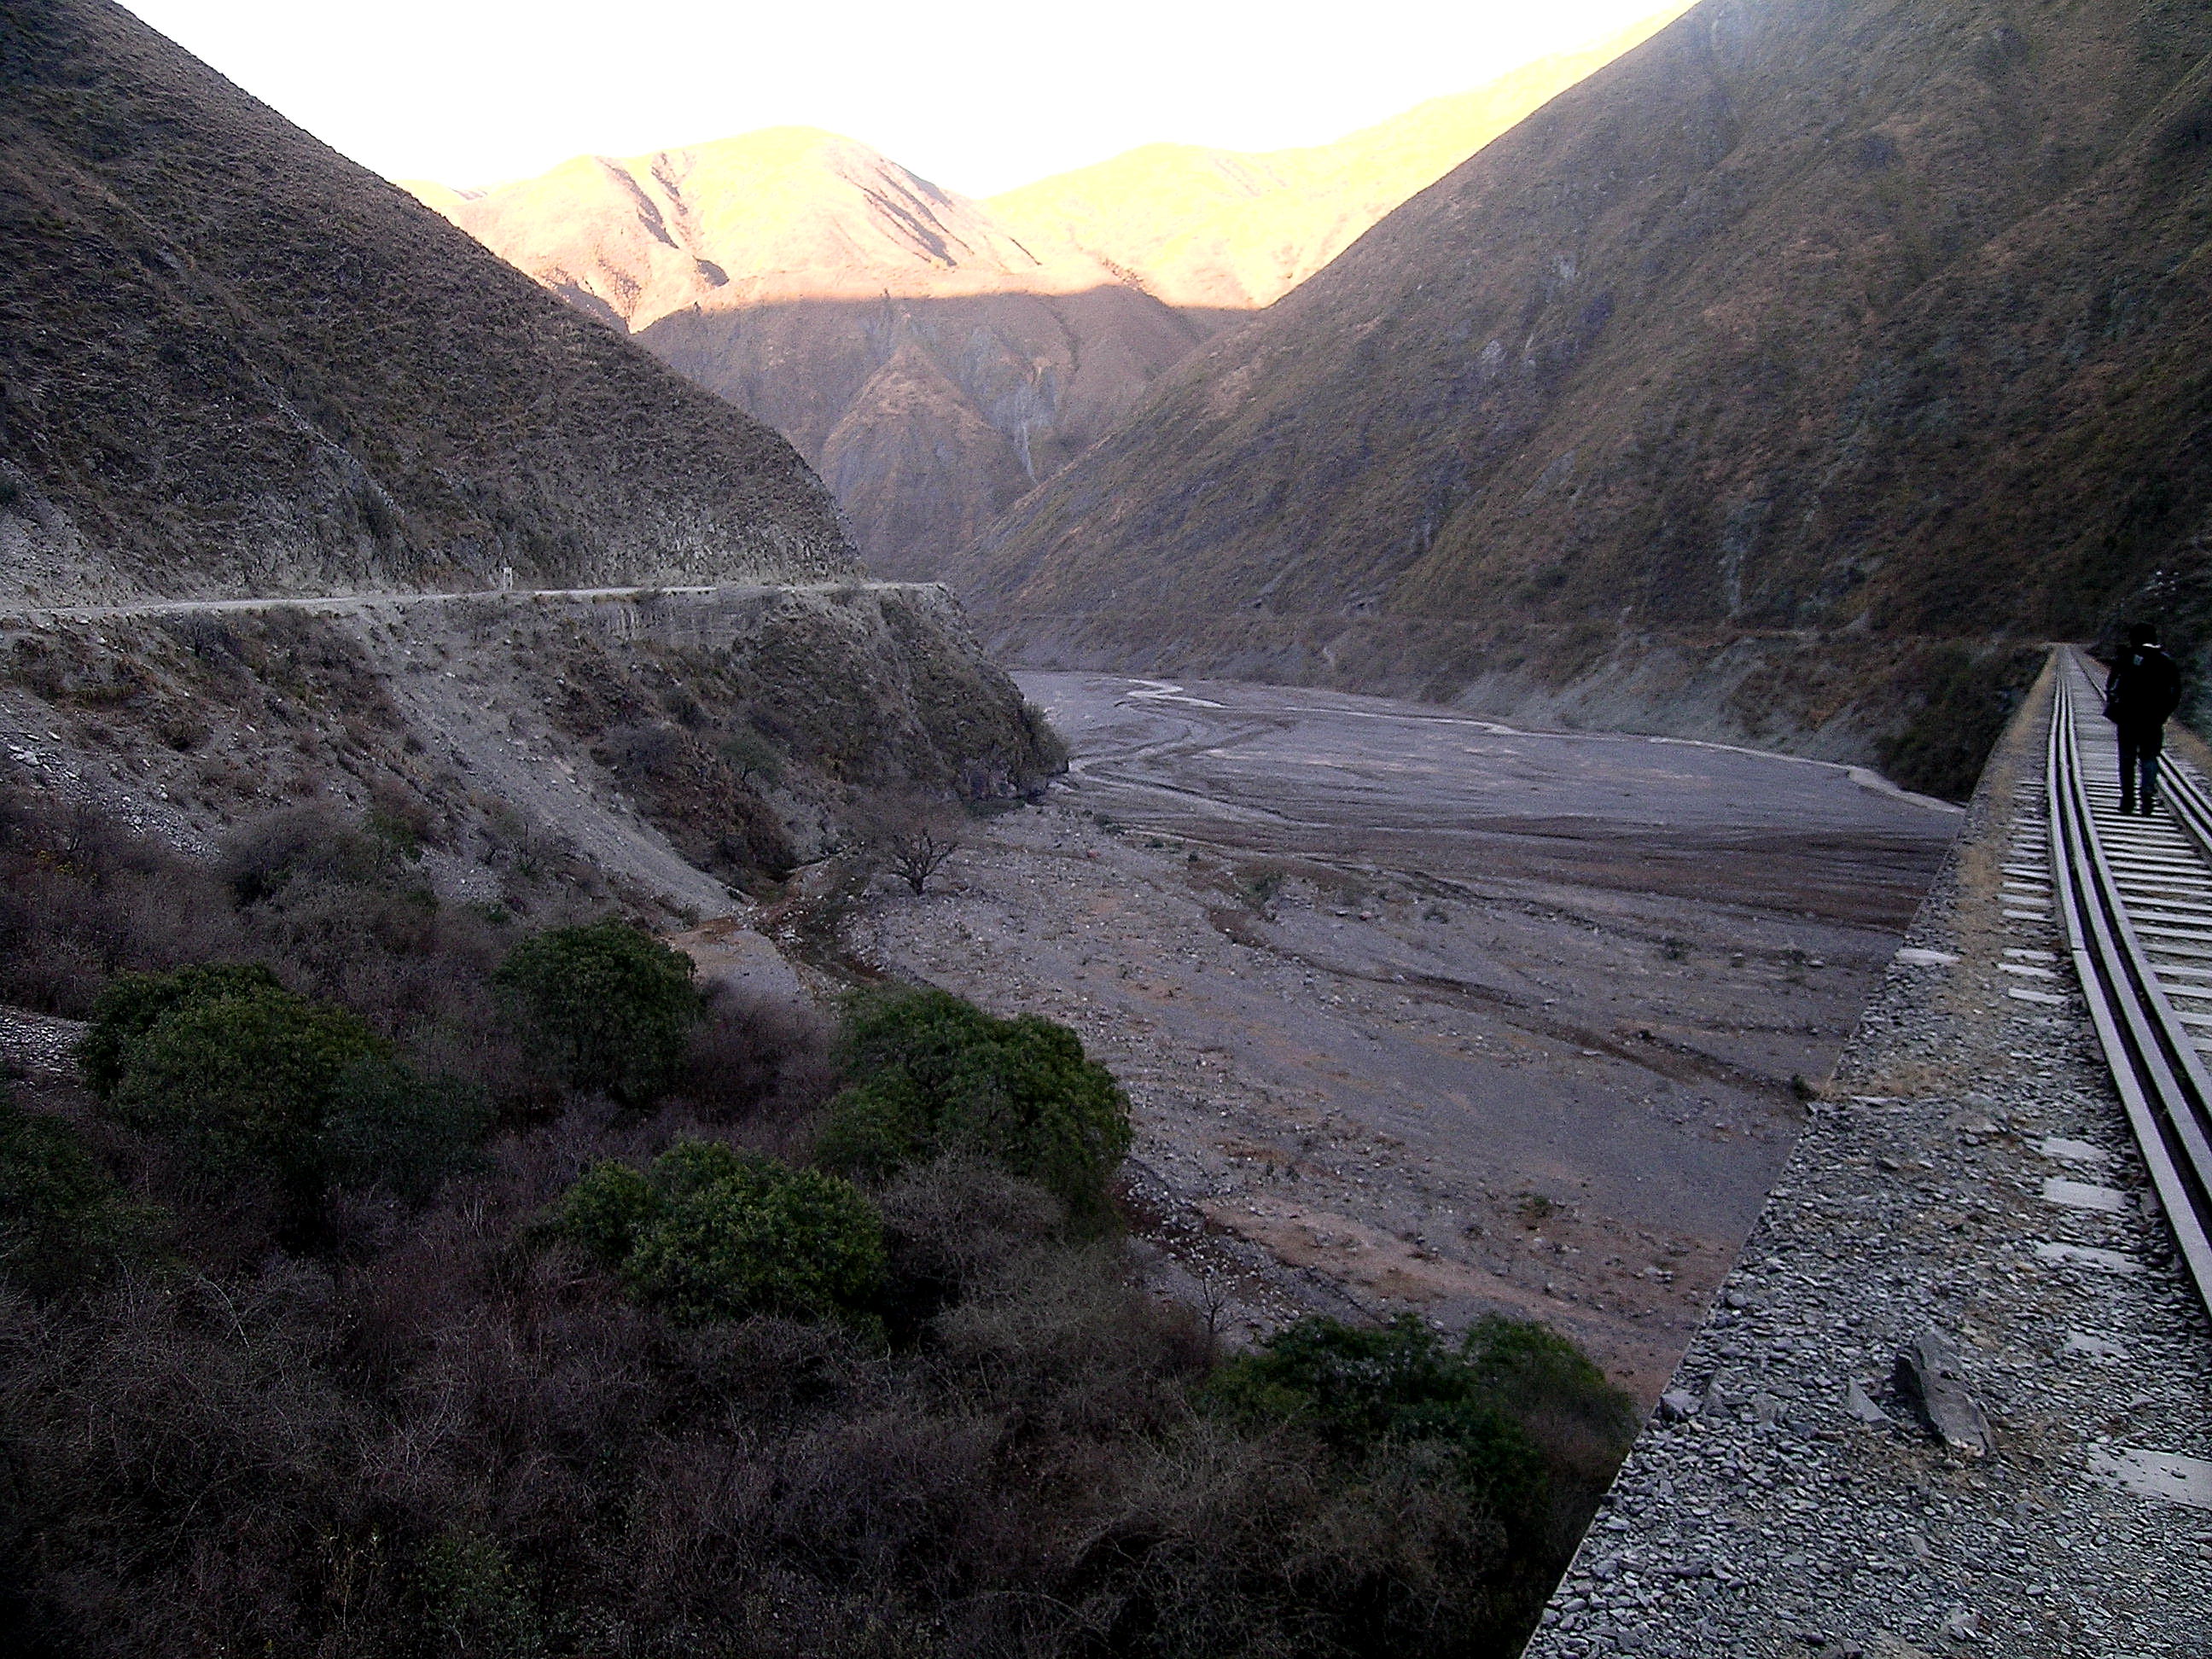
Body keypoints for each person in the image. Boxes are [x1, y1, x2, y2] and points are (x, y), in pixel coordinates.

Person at [2104, 621, 2184, 815]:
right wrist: (2164, 713)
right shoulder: (2166, 662)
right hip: (2154, 719)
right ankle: (2147, 792)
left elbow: (2111, 685)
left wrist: (2115, 706)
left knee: (2127, 758)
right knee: (2149, 757)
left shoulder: (2126, 658)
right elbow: (2176, 692)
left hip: (2128, 717)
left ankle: (2127, 799)